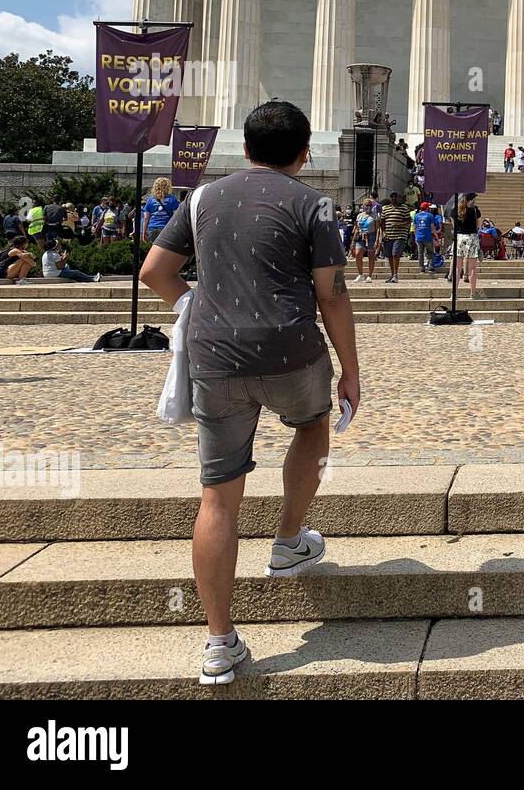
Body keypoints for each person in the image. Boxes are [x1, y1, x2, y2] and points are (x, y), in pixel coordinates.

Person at [140, 100, 358, 687]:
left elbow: (155, 273)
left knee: (217, 496)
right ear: (305, 152)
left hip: (216, 357)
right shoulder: (313, 204)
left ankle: (218, 641)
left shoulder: (202, 198)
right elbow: (331, 295)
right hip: (290, 349)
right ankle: (288, 539)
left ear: (246, 147)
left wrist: (193, 306)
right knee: (312, 425)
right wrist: (351, 370)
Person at [452, 193, 482, 297]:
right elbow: (478, 225)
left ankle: (454, 293)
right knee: (472, 268)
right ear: (471, 200)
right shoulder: (474, 210)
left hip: (460, 238)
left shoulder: (455, 210)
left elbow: (453, 226)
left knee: (457, 267)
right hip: (471, 238)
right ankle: (473, 293)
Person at [380, 191, 411, 284]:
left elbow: (409, 220)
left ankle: (395, 275)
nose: (394, 198)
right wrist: (383, 233)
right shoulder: (385, 208)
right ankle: (392, 273)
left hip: (400, 235)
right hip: (388, 235)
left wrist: (399, 224)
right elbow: (382, 221)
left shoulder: (404, 208)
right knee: (389, 255)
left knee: (395, 254)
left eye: (396, 196)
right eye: (392, 196)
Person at [350, 198, 380, 283]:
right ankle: (360, 274)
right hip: (360, 235)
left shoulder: (375, 215)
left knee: (371, 255)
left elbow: (378, 229)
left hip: (371, 235)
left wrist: (377, 240)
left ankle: (369, 275)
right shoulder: (359, 215)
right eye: (366, 205)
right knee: (358, 254)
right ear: (363, 206)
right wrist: (353, 241)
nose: (368, 207)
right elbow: (356, 228)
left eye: (370, 205)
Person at [141, 177, 181, 242]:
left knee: (154, 248)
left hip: (152, 227)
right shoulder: (173, 200)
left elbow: (146, 218)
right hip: (166, 228)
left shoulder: (150, 200)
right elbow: (175, 217)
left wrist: (144, 233)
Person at [413, 201, 437, 274]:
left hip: (419, 237)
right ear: (427, 208)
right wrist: (436, 235)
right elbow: (432, 227)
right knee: (430, 252)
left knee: (420, 253)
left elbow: (415, 227)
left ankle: (422, 268)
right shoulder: (430, 215)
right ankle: (430, 268)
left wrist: (415, 236)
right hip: (427, 237)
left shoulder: (416, 216)